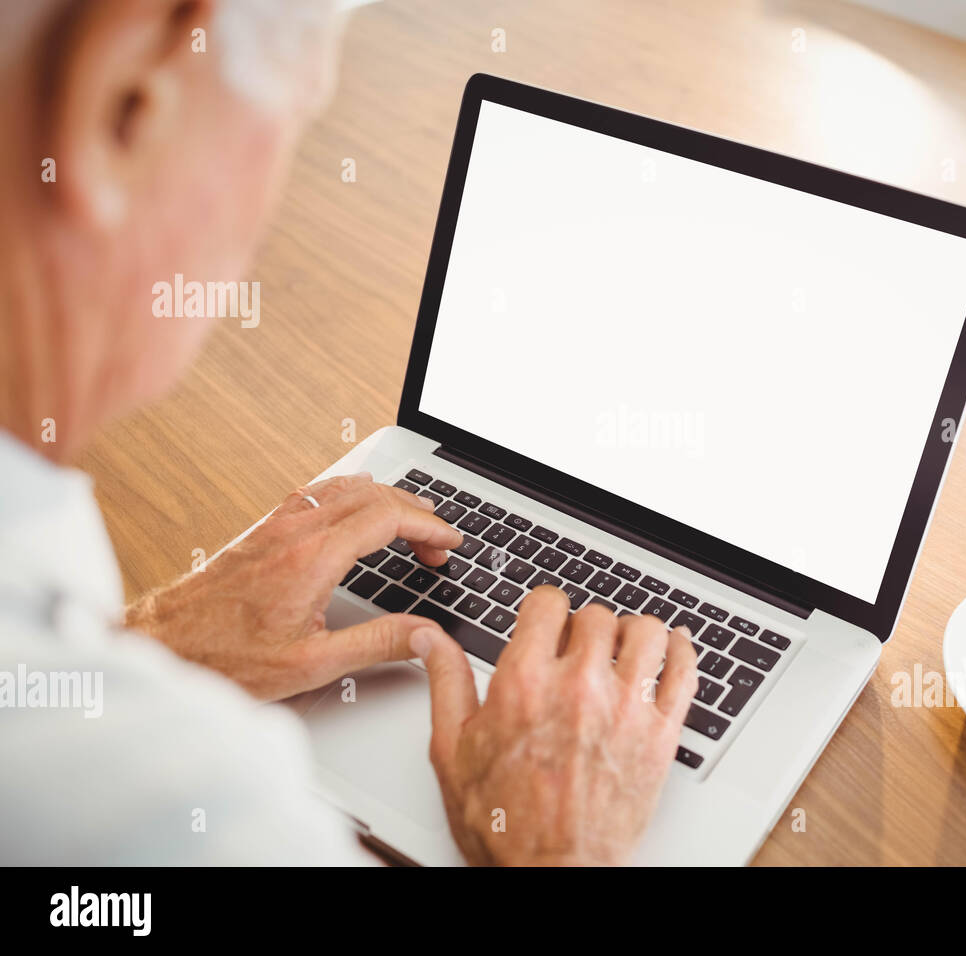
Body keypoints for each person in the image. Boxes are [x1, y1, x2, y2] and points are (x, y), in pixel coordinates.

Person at [0, 0, 697, 865]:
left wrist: (156, 645)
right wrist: (557, 845)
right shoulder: (183, 816)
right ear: (124, 99)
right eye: (300, 117)